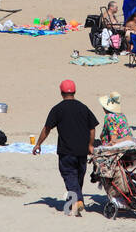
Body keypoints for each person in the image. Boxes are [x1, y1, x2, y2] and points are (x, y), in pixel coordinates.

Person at [32, 79, 98, 217]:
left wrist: (38, 144)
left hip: (66, 151)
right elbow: (92, 128)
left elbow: (47, 128)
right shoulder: (83, 107)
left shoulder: (58, 109)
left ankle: (76, 202)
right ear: (74, 92)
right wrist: (90, 145)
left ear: (61, 93)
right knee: (78, 177)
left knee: (69, 175)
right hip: (82, 151)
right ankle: (76, 201)